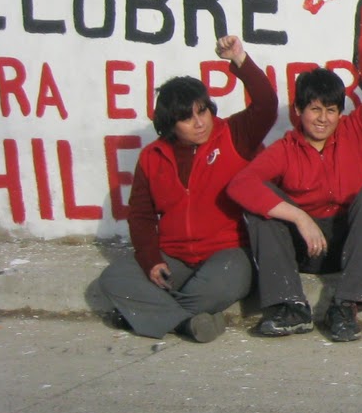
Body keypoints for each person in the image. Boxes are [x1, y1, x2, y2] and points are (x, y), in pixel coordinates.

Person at [228, 0, 362, 343]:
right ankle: (289, 307)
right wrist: (298, 217)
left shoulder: (357, 130)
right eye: (314, 109)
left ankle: (346, 305)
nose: (322, 118)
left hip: (354, 244)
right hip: (306, 248)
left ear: (341, 112)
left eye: (330, 110)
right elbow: (241, 185)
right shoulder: (285, 149)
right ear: (298, 111)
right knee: (260, 203)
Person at [99, 35, 277, 342]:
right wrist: (151, 259)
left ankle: (148, 315)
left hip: (228, 254)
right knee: (115, 278)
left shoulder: (235, 134)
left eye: (203, 111)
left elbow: (266, 104)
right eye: (186, 117)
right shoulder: (152, 157)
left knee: (219, 285)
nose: (199, 123)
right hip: (175, 256)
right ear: (170, 124)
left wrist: (239, 59)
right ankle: (186, 323)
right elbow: (141, 216)